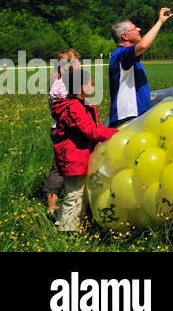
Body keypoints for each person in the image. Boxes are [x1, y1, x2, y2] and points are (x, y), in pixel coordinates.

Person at [51, 67, 118, 232]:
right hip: (73, 159)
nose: (93, 87)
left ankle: (62, 223)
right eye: (91, 84)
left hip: (80, 158)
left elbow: (93, 128)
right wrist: (115, 133)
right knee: (74, 196)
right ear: (81, 87)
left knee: (78, 194)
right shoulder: (73, 108)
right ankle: (68, 232)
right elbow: (92, 131)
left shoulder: (82, 106)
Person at [108, 7, 173, 127]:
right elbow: (143, 45)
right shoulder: (122, 54)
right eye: (134, 28)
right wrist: (160, 22)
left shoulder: (127, 56)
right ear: (125, 36)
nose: (139, 29)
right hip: (126, 117)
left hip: (134, 115)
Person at [43, 50, 79, 217]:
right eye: (77, 62)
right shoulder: (65, 85)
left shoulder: (57, 81)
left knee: (58, 167)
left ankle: (54, 207)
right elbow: (73, 112)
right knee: (60, 169)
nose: (79, 65)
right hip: (66, 130)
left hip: (58, 128)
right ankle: (54, 209)